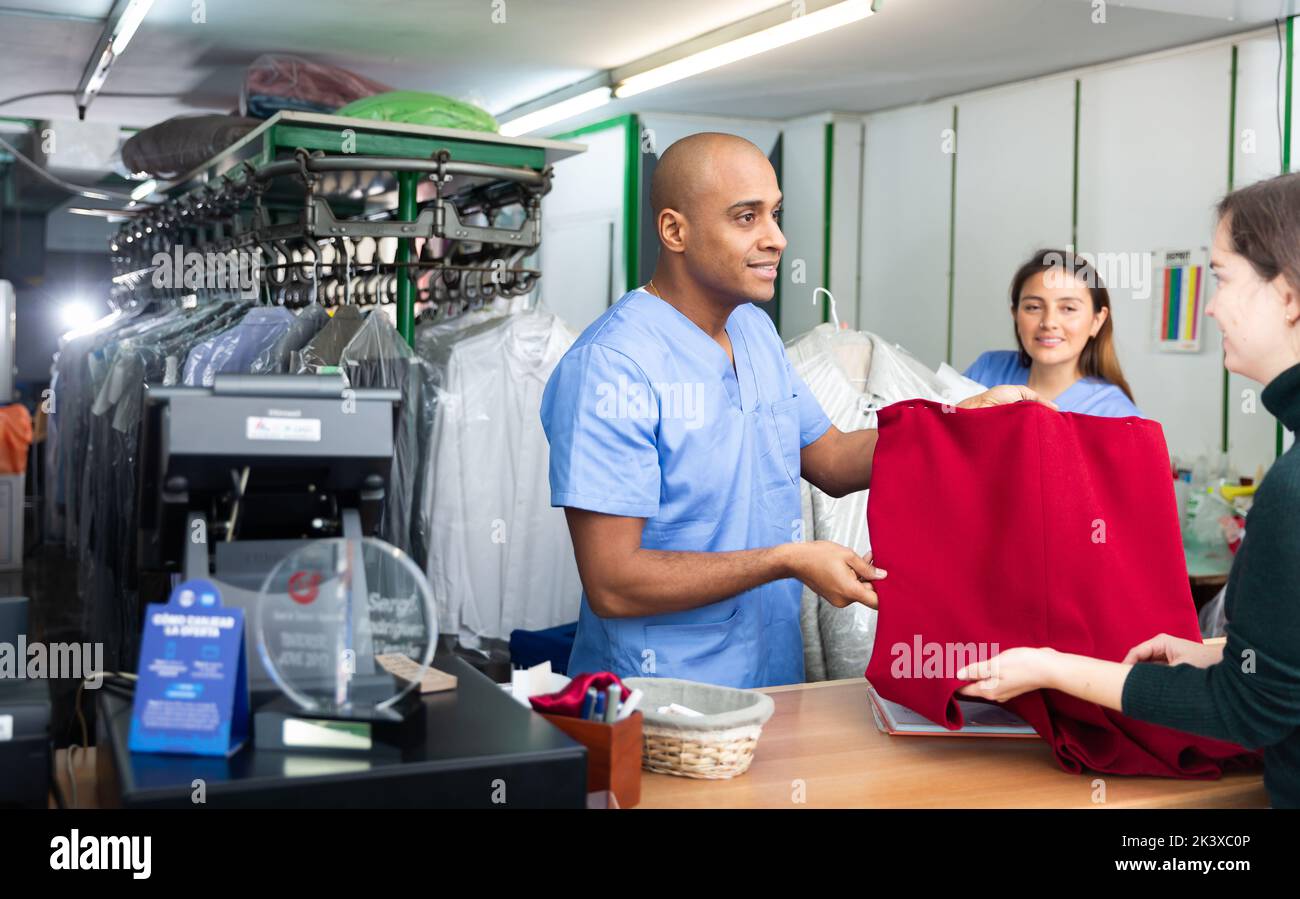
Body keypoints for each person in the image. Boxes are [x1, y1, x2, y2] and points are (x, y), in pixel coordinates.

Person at [539, 132, 1049, 689]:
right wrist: (787, 559)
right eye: (746, 217)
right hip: (661, 701)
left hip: (774, 682)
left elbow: (830, 457)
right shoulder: (611, 368)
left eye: (776, 214)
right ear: (674, 230)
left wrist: (959, 421)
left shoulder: (753, 330)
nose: (777, 239)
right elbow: (613, 583)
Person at [955, 173, 1300, 808]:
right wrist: (1215, 651)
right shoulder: (988, 374)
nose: (1211, 306)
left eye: (1221, 279)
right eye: (1033, 306)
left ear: (1287, 296)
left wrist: (1052, 668)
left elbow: (1250, 709)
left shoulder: (1290, 487)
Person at [965, 249, 1141, 417]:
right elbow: (941, 437)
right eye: (1033, 307)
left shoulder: (1116, 413)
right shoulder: (987, 369)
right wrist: (970, 409)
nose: (1049, 322)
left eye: (1068, 308)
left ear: (1097, 321)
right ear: (1015, 315)